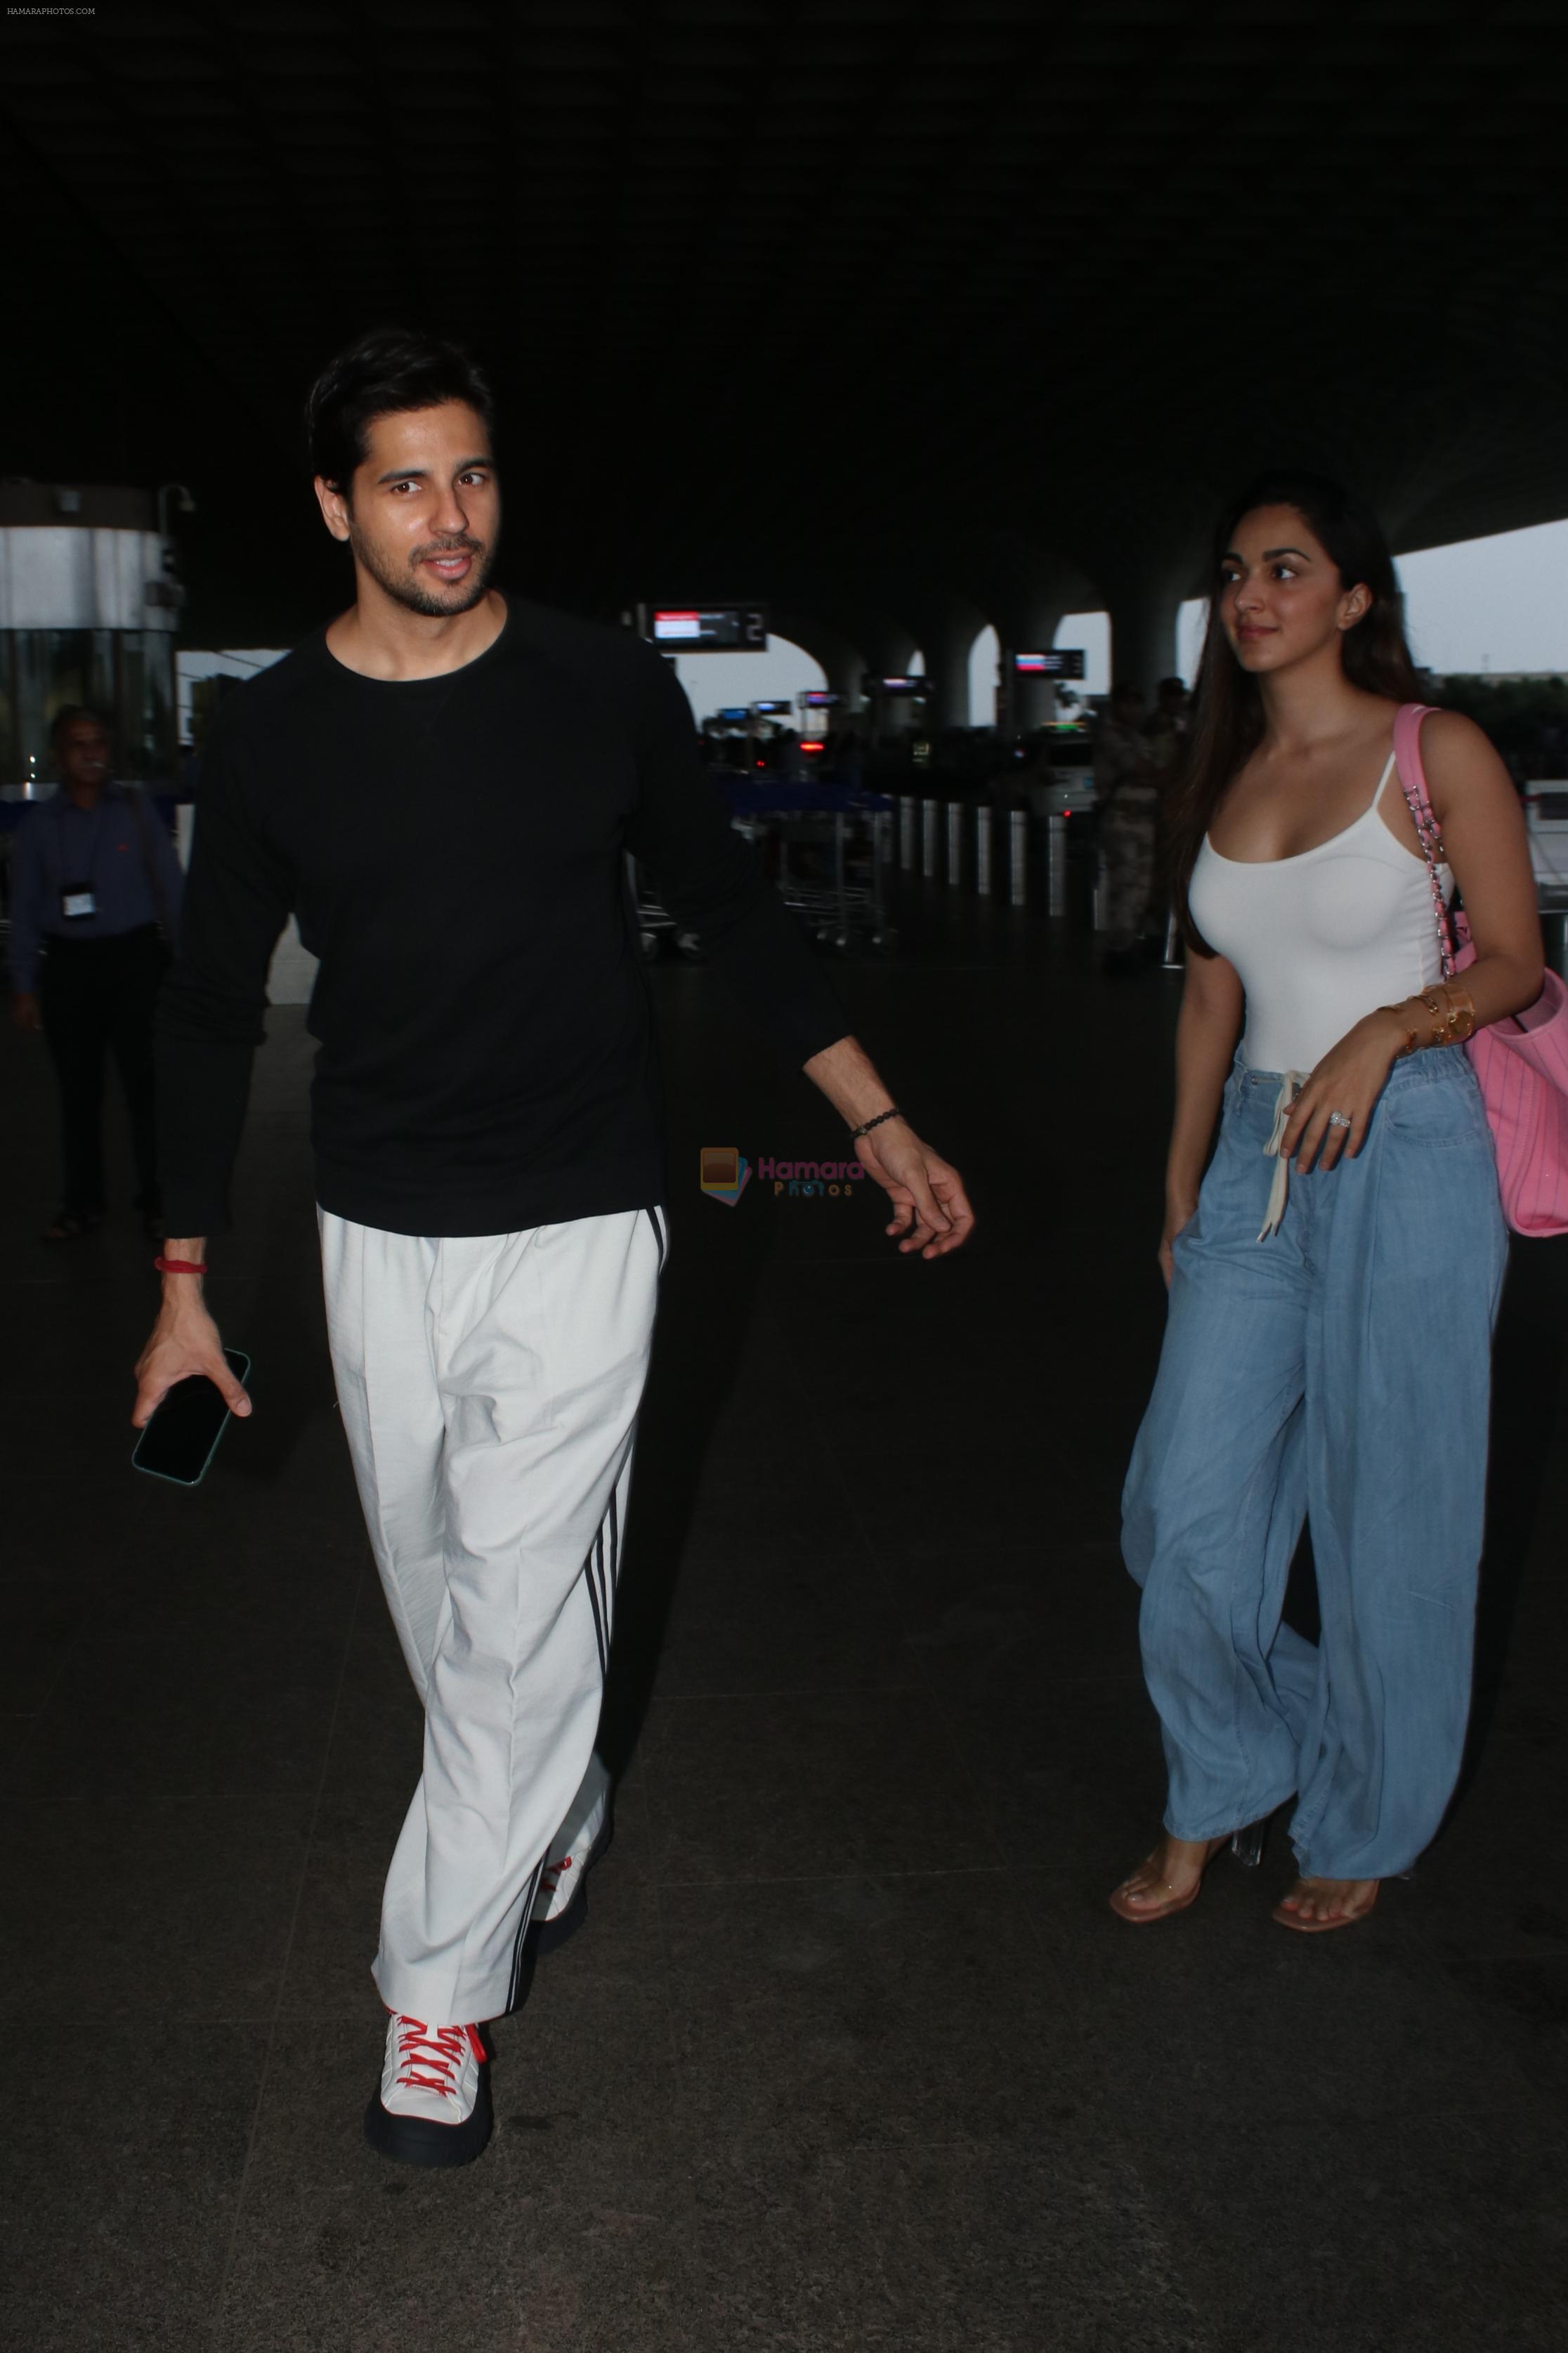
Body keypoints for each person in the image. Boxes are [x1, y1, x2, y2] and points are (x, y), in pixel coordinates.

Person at [131, 327, 974, 2169]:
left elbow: (730, 910)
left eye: (477, 474)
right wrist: (186, 1282)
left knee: (519, 1610)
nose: (454, 514)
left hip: (588, 1212)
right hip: (378, 1222)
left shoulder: (599, 689)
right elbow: (206, 1010)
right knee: (451, 1597)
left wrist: (873, 1110)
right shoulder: (270, 729)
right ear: (336, 505)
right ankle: (555, 1785)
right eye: (411, 482)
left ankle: (434, 1993)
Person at [1113, 471, 1542, 1934]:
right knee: (1177, 1511)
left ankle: (1366, 1808)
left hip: (1412, 1139)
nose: (1251, 596)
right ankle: (1235, 1765)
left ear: (1355, 597)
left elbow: (1513, 967)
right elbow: (1208, 1003)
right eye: (1234, 572)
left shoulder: (1437, 751)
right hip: (1257, 1157)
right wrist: (1182, 1189)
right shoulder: (1218, 773)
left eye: (1286, 570)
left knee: (1394, 1505)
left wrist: (1382, 1033)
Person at [8, 708, 184, 1241]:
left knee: (146, 1088)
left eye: (98, 743)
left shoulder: (134, 811)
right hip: (69, 967)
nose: (90, 752)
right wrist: (23, 984)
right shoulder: (40, 826)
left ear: (110, 751)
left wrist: (188, 967)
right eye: (77, 743)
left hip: (134, 963)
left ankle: (158, 1200)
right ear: (59, 755)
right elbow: (26, 905)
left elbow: (171, 891)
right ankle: (83, 1204)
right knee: (77, 1093)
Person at [1094, 681, 1161, 970]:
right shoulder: (1111, 734)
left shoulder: (1140, 736)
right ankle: (1119, 948)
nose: (1134, 709)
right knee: (1126, 884)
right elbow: (1137, 768)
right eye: (1128, 702)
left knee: (1143, 886)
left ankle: (1133, 941)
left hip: (1146, 817)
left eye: (1138, 702)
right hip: (1122, 818)